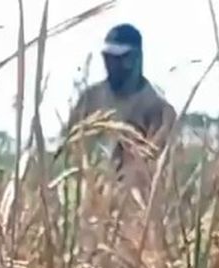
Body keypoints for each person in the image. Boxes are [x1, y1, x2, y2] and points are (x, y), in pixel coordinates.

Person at [63, 23, 177, 170]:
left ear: (136, 57)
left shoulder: (159, 111)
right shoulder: (90, 99)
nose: (111, 64)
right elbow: (71, 150)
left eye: (119, 58)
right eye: (107, 57)